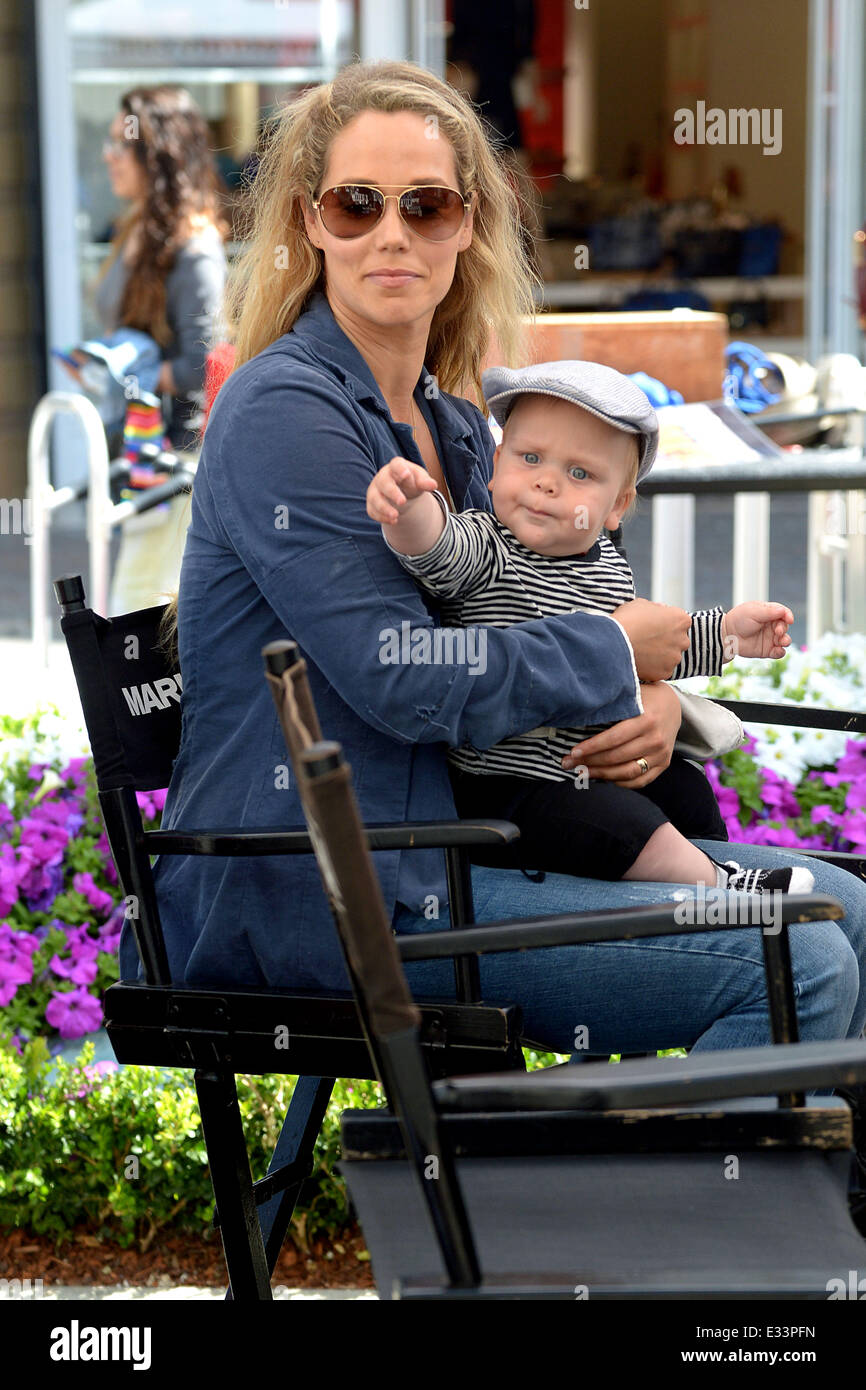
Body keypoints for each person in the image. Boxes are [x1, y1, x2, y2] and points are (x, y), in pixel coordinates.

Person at [135, 59, 866, 1071]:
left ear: (466, 224)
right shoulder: (282, 414)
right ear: (310, 222)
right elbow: (399, 678)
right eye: (357, 204)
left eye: (425, 205)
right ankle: (674, 1226)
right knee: (806, 961)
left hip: (465, 840)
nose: (391, 233)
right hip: (339, 893)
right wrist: (609, 654)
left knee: (854, 912)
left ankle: (803, 1219)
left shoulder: (455, 424)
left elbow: (540, 608)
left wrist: (645, 700)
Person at [365, 358, 814, 897]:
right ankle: (719, 886)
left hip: (586, 767)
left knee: (685, 788)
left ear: (616, 506)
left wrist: (731, 635)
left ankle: (709, 864)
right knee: (617, 821)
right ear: (497, 462)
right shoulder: (489, 545)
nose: (547, 482)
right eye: (529, 458)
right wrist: (409, 508)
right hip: (507, 785)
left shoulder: (607, 565)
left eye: (580, 474)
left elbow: (654, 648)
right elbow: (437, 549)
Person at [85, 86, 229, 452]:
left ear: (158, 154)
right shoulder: (134, 229)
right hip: (129, 442)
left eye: (122, 144)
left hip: (172, 459)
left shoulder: (195, 248)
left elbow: (205, 365)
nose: (108, 156)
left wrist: (130, 374)